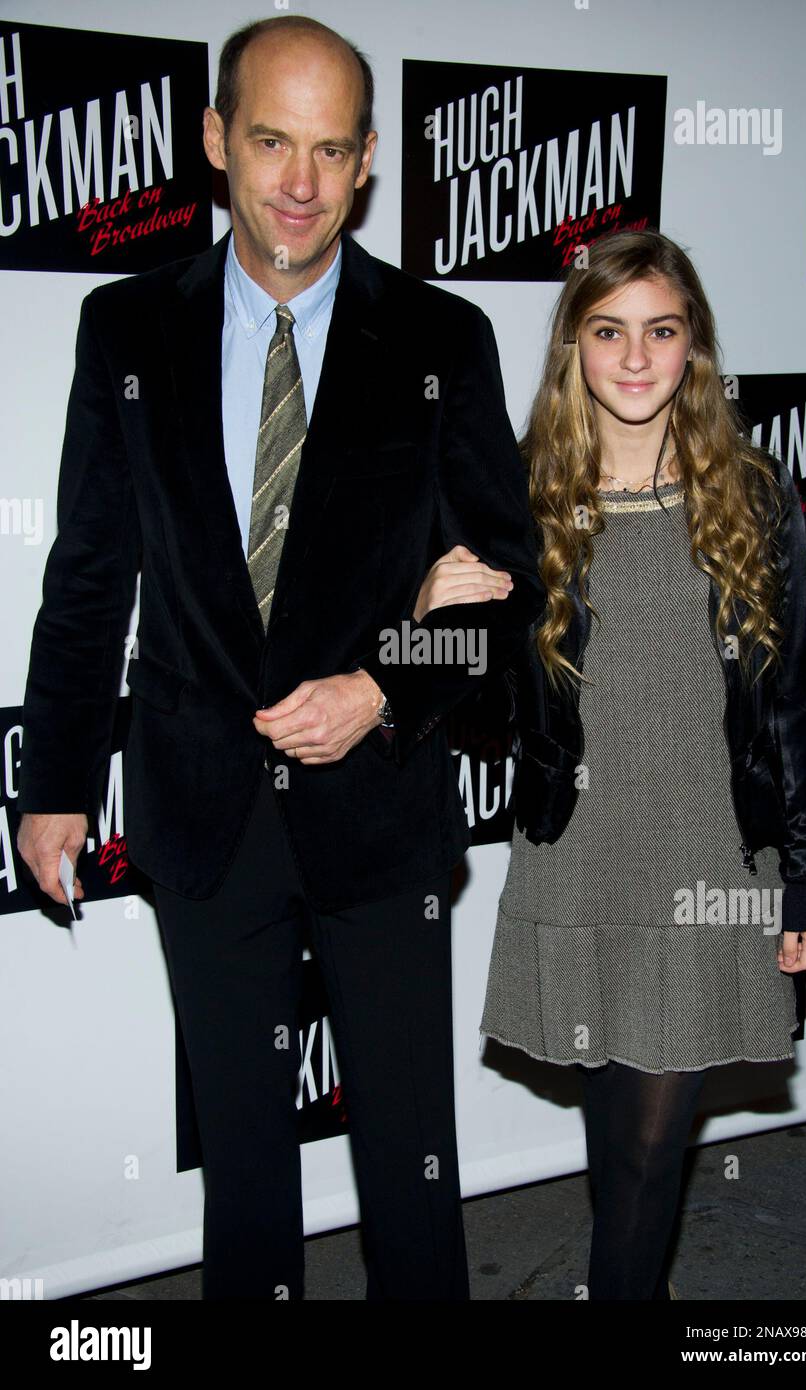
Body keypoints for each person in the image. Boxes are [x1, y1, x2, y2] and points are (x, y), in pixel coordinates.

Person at [15, 15, 545, 1301]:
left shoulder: (438, 339)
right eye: (269, 141)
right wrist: (53, 784)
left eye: (328, 149)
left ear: (366, 162)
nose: (299, 181)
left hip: (380, 813)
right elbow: (90, 567)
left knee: (412, 1164)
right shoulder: (126, 328)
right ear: (213, 140)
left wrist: (381, 686)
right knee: (245, 1172)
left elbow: (508, 585)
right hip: (202, 806)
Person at [413, 228, 806, 1300]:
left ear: (693, 346)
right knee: (621, 1146)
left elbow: (787, 702)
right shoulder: (516, 500)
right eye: (608, 331)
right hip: (580, 852)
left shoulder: (750, 496)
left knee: (651, 1149)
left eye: (660, 330)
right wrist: (430, 622)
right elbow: (479, 719)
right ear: (573, 347)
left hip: (710, 862)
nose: (636, 356)